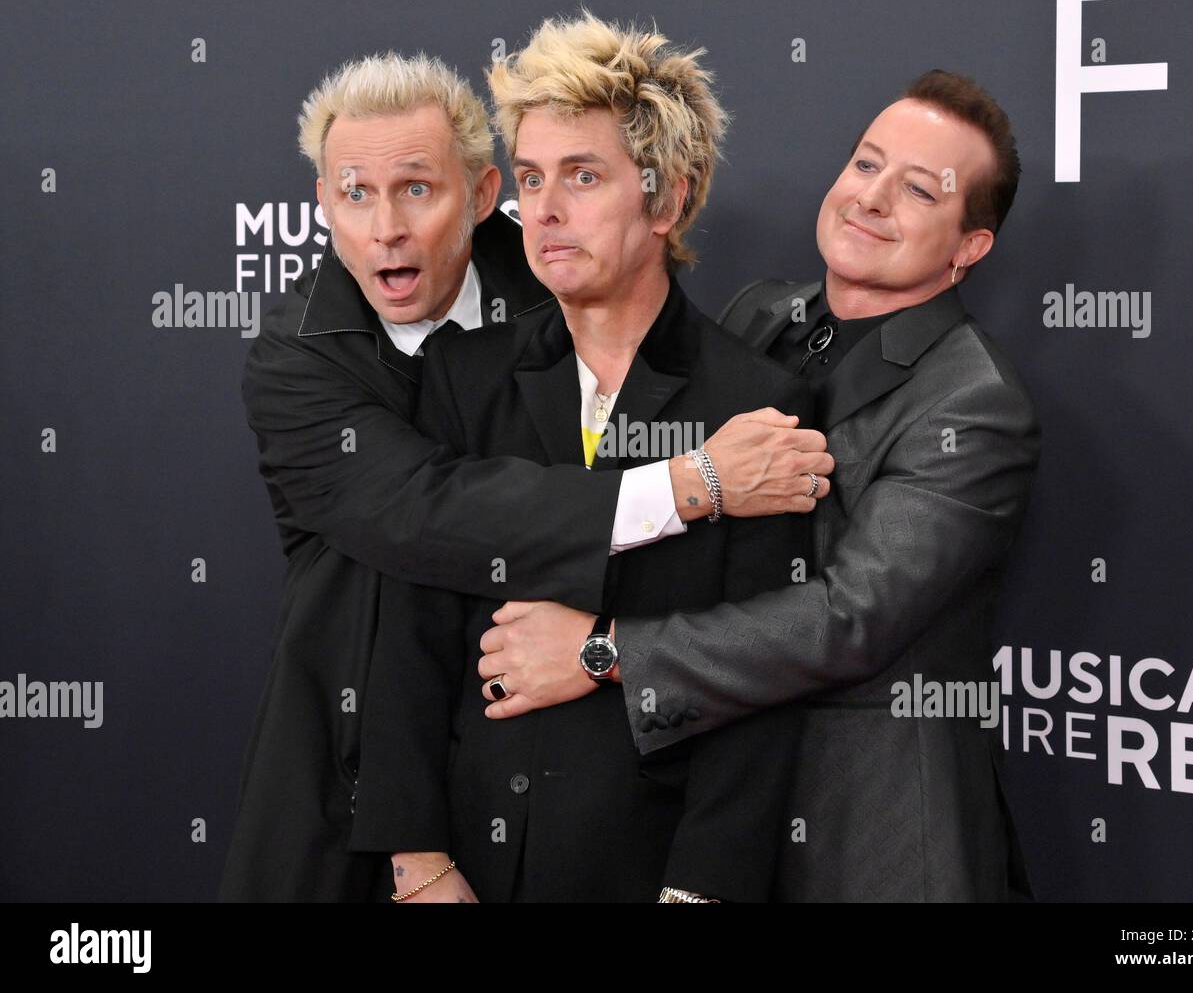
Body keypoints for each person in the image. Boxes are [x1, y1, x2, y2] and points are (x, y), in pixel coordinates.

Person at [220, 50, 831, 901]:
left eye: (580, 176)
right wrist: (420, 858)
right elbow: (426, 544)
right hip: (363, 797)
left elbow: (762, 668)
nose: (547, 210)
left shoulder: (746, 401)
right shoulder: (333, 360)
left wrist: (699, 889)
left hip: (631, 847)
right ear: (324, 203)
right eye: (355, 193)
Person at [476, 70, 1042, 902]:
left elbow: (850, 621)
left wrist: (602, 652)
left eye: (919, 190)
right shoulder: (758, 316)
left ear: (969, 247)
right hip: (711, 814)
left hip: (864, 831)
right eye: (865, 165)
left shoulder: (975, 403)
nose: (871, 200)